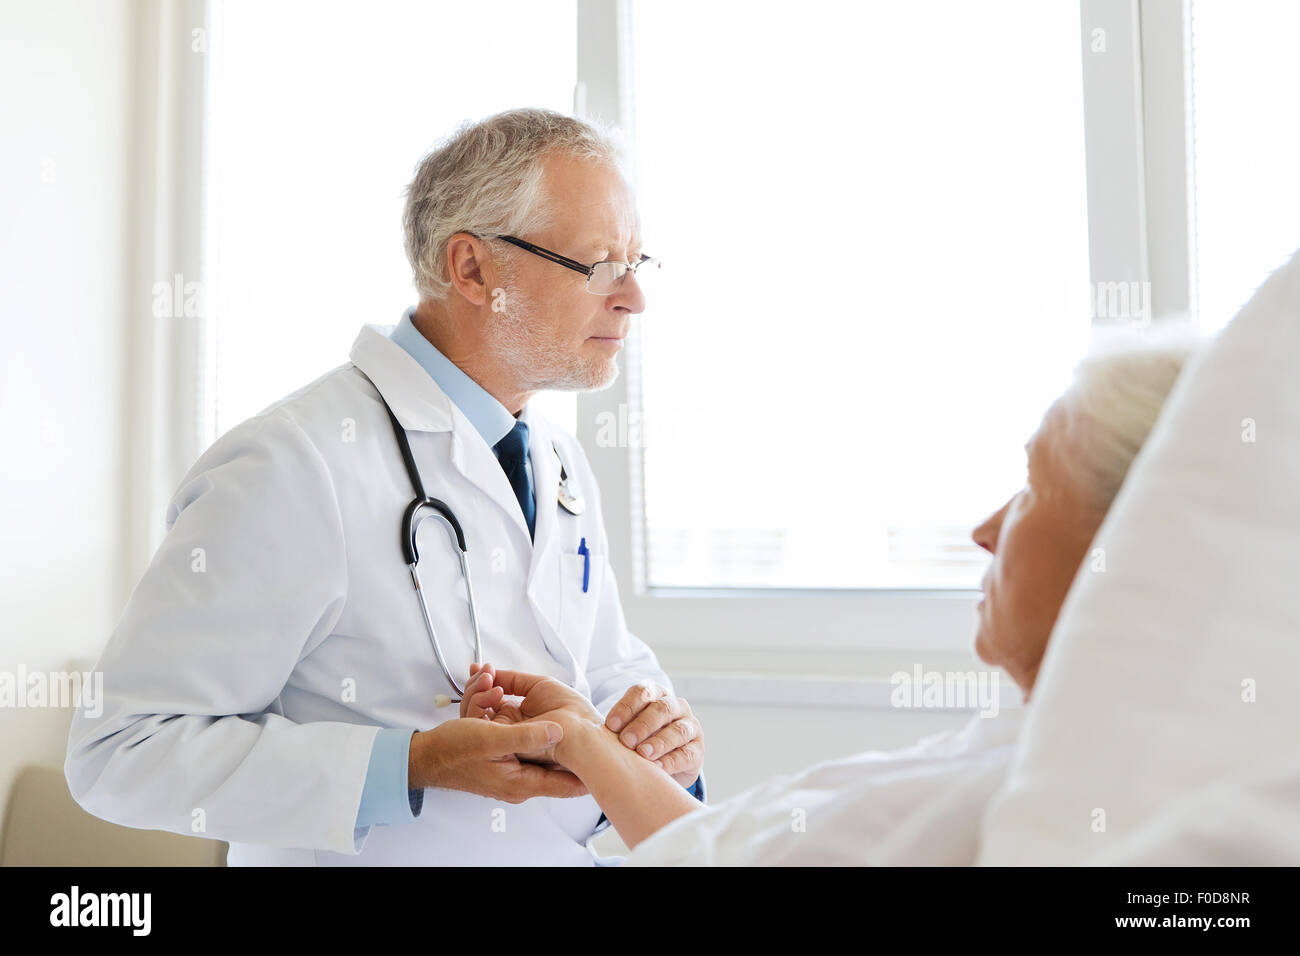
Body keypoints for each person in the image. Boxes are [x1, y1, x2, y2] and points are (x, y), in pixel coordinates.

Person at [64, 108, 704, 866]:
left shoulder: (558, 462)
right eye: (600, 265)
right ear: (472, 269)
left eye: (638, 262)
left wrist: (656, 730)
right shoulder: (294, 462)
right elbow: (120, 751)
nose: (634, 298)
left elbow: (602, 667)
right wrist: (409, 765)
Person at [464, 336, 1197, 864]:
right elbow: (722, 847)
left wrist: (582, 743)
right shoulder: (1033, 746)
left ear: (1129, 540)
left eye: (1034, 488)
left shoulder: (1021, 800)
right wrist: (586, 743)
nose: (983, 530)